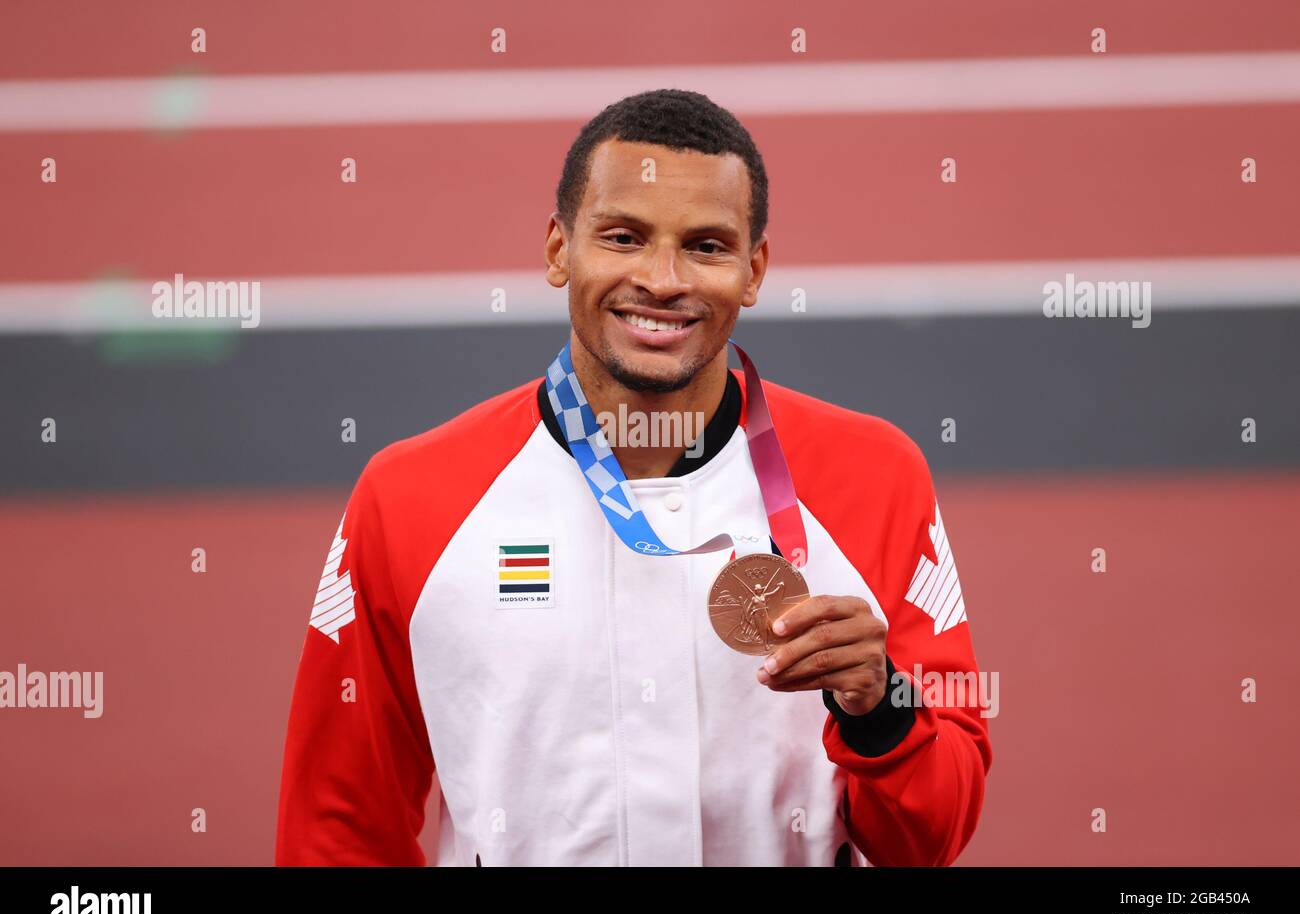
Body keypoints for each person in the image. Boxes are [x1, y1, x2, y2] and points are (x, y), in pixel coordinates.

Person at [275, 89, 992, 866]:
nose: (662, 278)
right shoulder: (408, 497)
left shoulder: (876, 476)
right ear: (559, 250)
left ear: (753, 271)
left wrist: (880, 708)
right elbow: (336, 826)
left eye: (707, 247)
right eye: (622, 237)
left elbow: (936, 834)